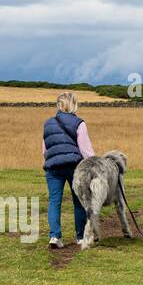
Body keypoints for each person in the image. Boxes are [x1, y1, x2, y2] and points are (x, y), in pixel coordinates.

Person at [41, 91, 96, 249]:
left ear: (58, 105)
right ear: (74, 104)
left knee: (54, 201)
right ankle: (80, 237)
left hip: (52, 167)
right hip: (74, 166)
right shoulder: (79, 123)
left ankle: (54, 235)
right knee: (78, 202)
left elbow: (45, 149)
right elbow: (85, 150)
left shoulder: (48, 123)